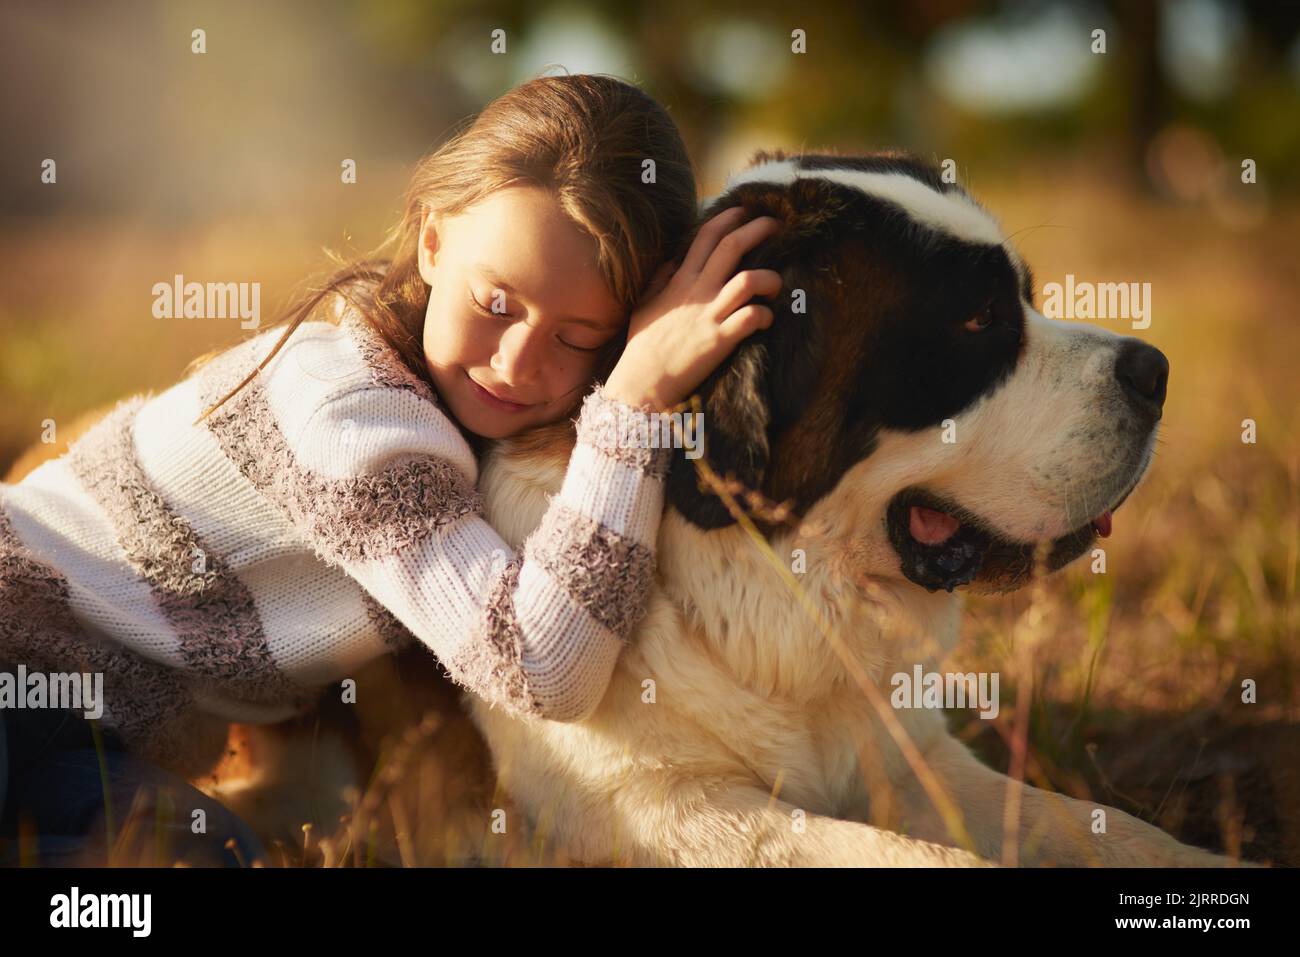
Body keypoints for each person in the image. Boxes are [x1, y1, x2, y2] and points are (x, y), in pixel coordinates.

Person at [0, 72, 781, 865]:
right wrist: (635, 398)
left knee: (192, 860)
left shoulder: (438, 414)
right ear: (434, 241)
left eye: (579, 339)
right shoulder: (355, 416)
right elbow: (542, 669)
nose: (517, 362)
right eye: (497, 303)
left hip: (79, 736)